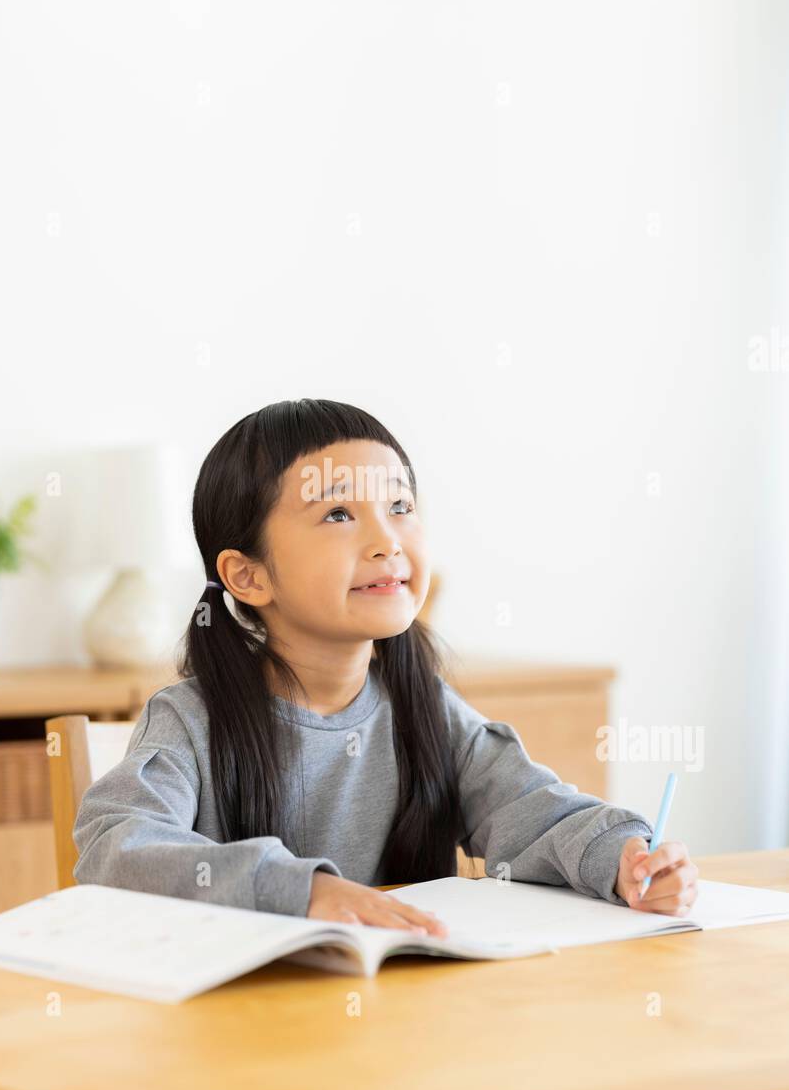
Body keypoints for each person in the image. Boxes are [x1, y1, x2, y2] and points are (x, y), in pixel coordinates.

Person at [73, 398, 699, 937]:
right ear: (249, 575)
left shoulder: (425, 708)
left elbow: (534, 812)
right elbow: (115, 851)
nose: (387, 540)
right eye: (339, 514)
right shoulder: (188, 722)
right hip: (244, 1034)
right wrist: (304, 892)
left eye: (400, 506)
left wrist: (619, 859)